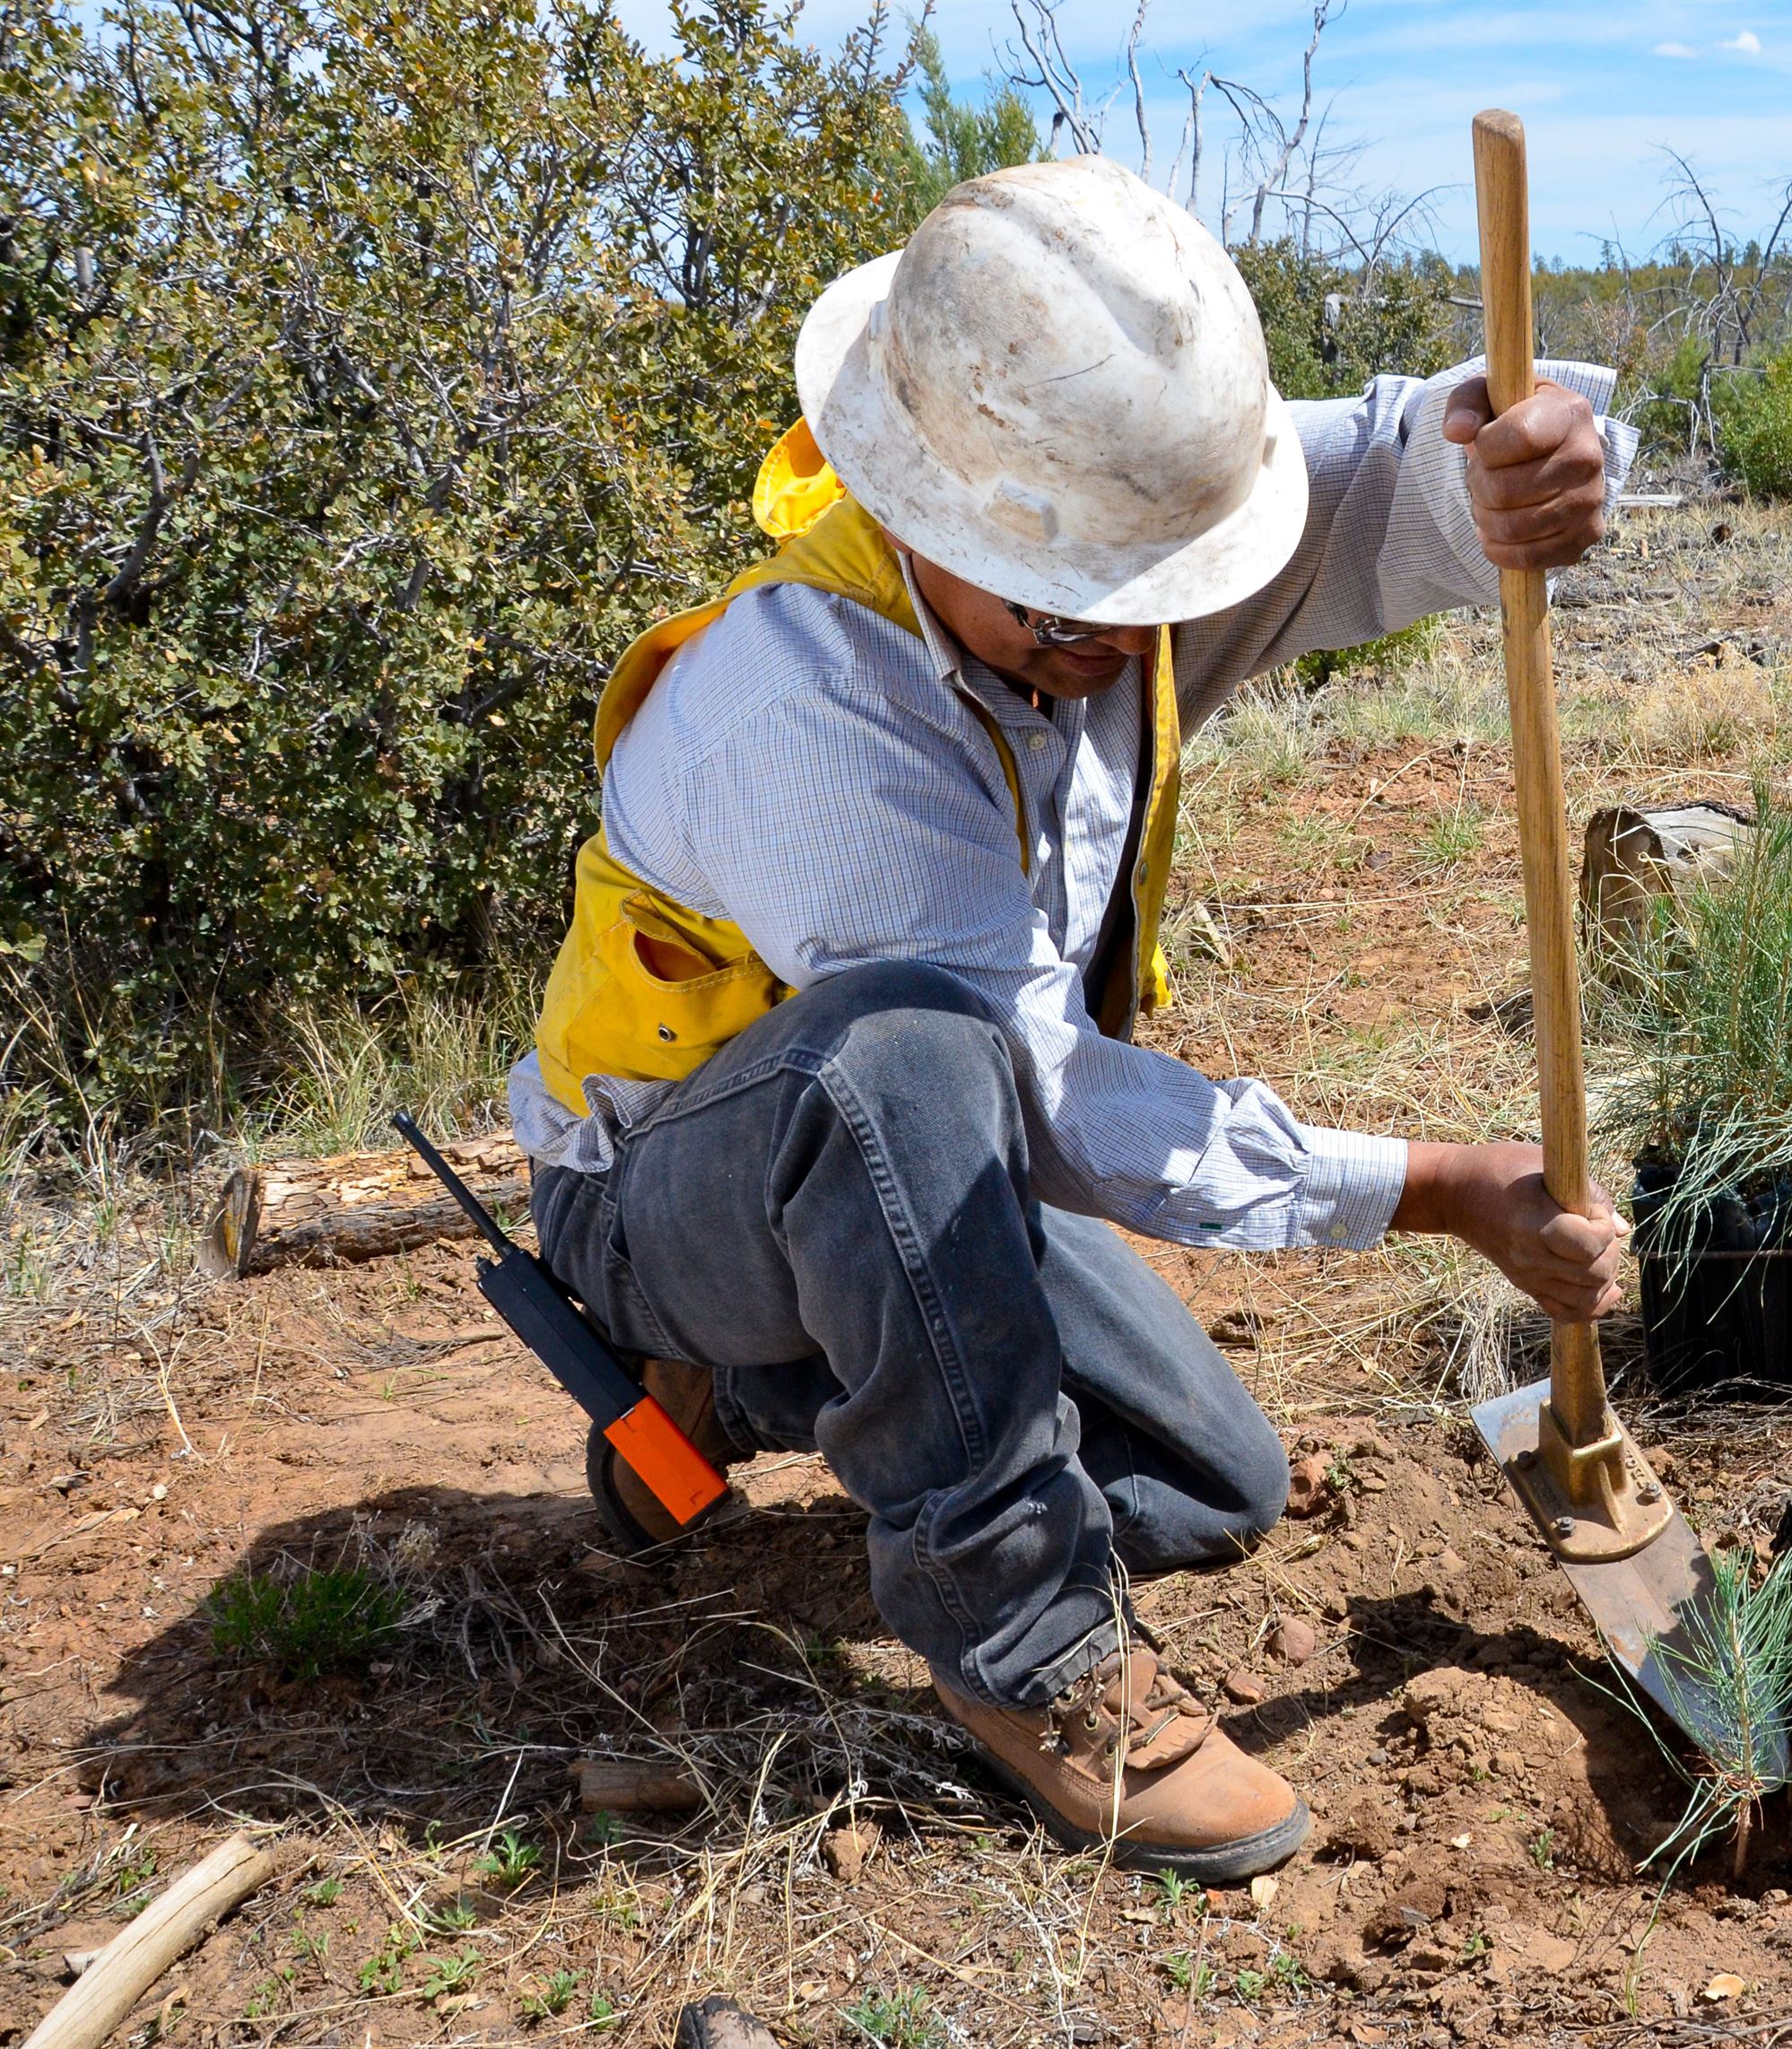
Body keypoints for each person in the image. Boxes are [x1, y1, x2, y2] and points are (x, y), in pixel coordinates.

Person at [505, 155, 1637, 1883]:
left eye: (1151, 582)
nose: (1118, 633)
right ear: (924, 512)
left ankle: (732, 1387)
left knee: (1206, 1485)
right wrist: (1434, 1186)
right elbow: (1032, 1091)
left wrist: (1524, 449)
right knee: (899, 1056)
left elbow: (1396, 473)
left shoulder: (1114, 552)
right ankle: (1026, 1647)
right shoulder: (811, 704)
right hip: (669, 1181)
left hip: (896, 1174)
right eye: (1066, 601)